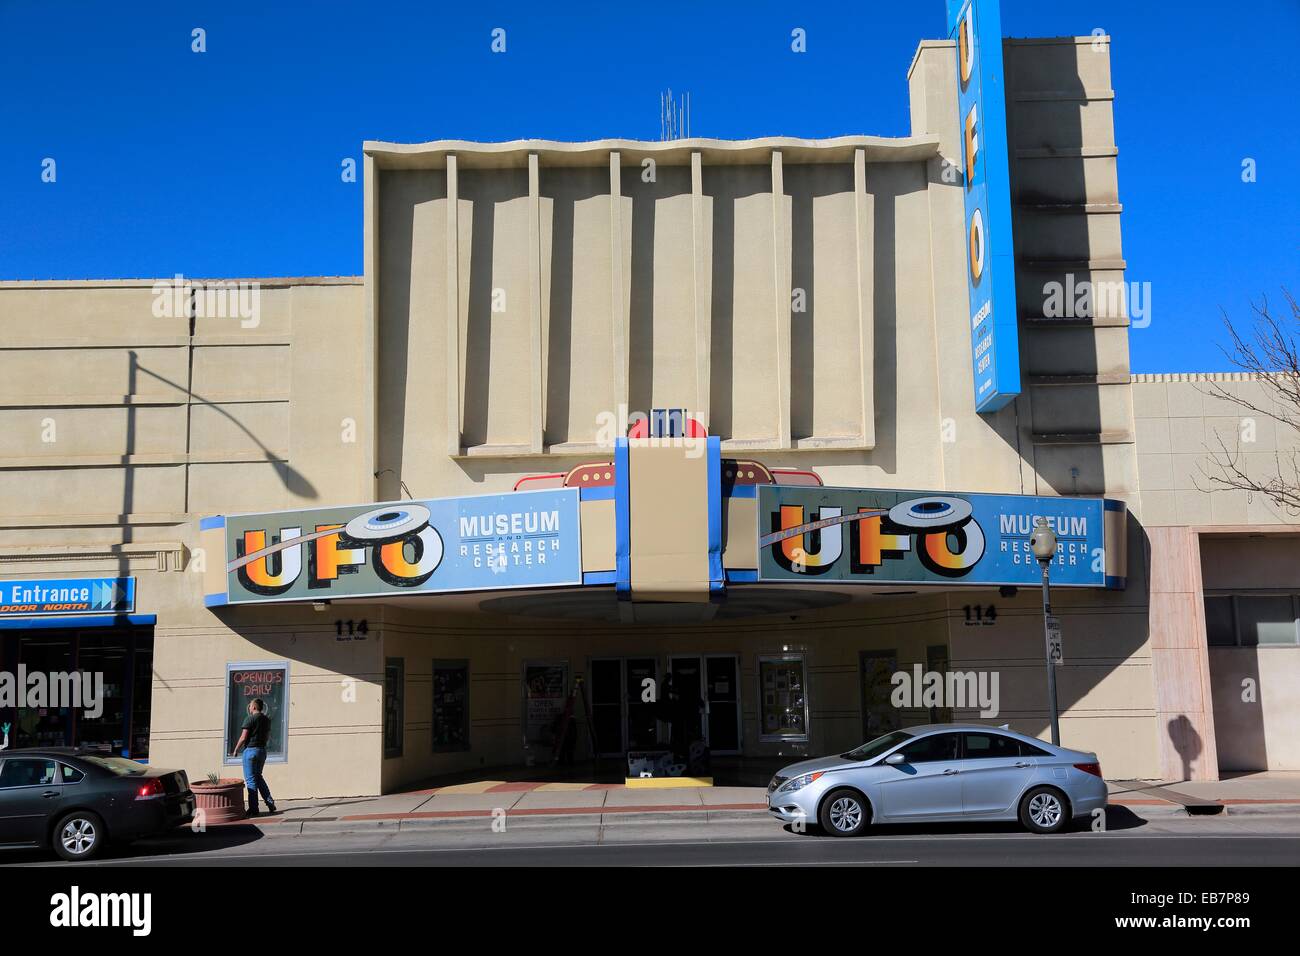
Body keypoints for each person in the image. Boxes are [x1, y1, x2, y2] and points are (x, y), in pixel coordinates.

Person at [230, 698, 277, 816]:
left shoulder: (250, 719)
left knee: (251, 781)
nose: (249, 707)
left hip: (250, 751)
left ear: (254, 707)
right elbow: (267, 736)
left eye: (250, 705)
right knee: (258, 777)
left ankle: (253, 809)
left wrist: (236, 749)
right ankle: (269, 801)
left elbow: (243, 737)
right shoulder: (266, 720)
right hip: (262, 751)